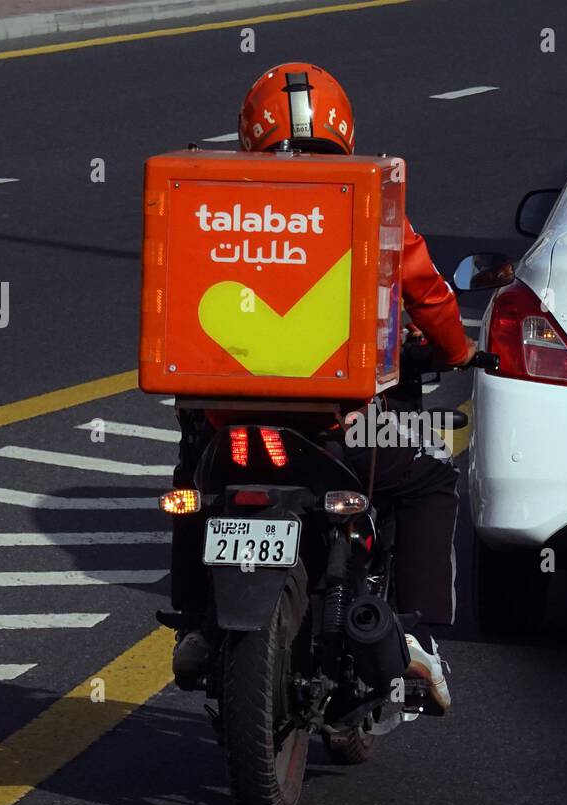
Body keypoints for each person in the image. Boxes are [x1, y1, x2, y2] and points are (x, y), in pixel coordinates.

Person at [171, 63, 476, 713]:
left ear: (252, 130)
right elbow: (423, 287)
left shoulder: (212, 196)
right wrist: (459, 349)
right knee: (431, 480)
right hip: (341, 433)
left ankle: (197, 617)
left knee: (192, 480)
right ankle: (417, 635)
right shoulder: (366, 195)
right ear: (343, 128)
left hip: (233, 427)